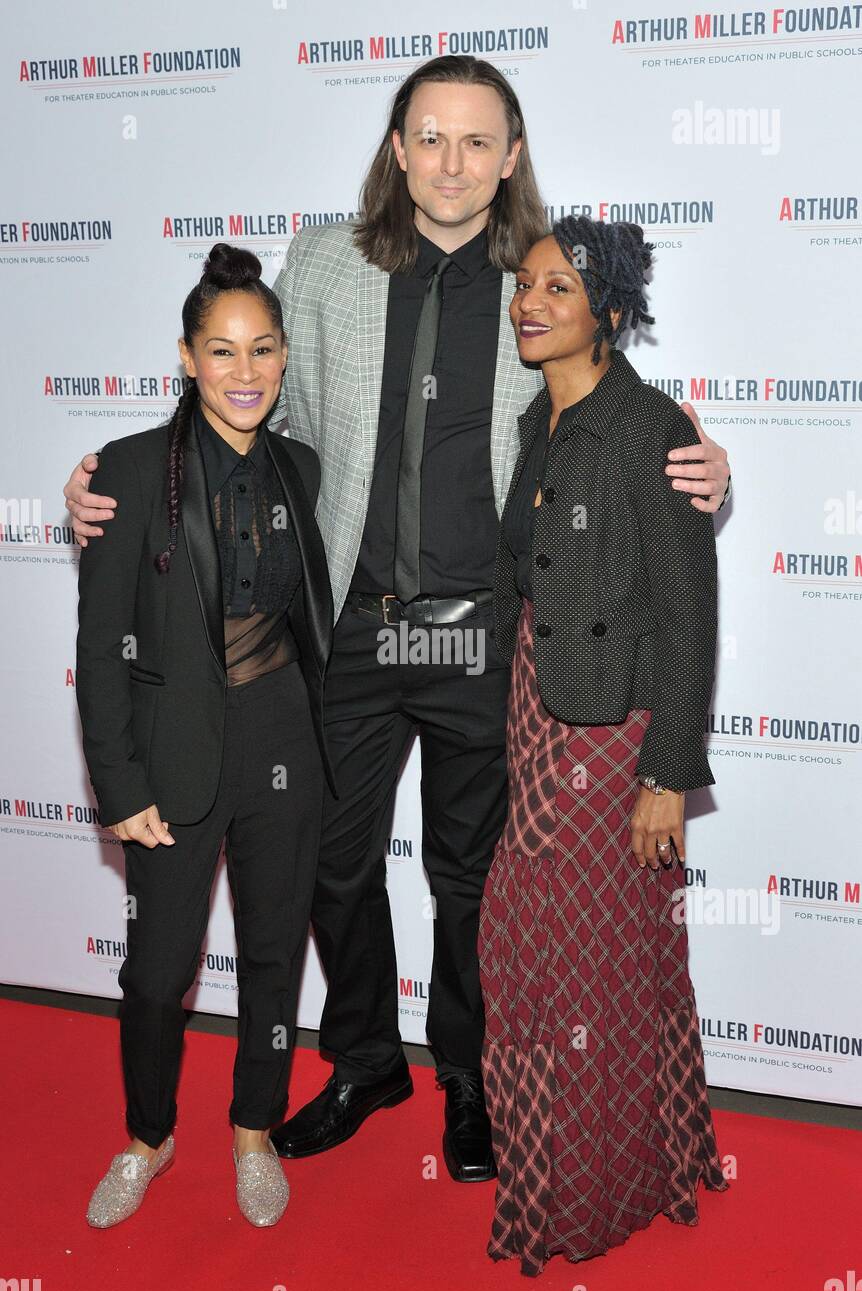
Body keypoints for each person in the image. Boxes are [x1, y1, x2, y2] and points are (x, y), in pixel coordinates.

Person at [63, 56, 731, 1186]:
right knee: (331, 860)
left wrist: (707, 463)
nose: (452, 164)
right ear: (395, 147)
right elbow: (250, 407)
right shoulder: (326, 261)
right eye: (429, 138)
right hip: (351, 629)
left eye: (478, 142)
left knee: (471, 874)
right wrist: (117, 482)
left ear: (511, 156)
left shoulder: (539, 276)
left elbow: (613, 408)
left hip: (486, 634)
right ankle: (367, 1057)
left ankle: (465, 1079)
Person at [478, 214, 728, 1276]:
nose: (529, 304)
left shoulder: (648, 429)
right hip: (539, 713)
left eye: (557, 292)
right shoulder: (542, 418)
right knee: (556, 960)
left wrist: (666, 776)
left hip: (612, 742)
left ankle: (586, 1196)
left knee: (579, 970)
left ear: (608, 315)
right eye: (525, 285)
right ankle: (609, 1166)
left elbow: (690, 616)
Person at [75, 244, 335, 1229]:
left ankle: (254, 1130)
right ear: (185, 357)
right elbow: (100, 648)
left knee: (272, 956)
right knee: (154, 972)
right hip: (173, 753)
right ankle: (148, 1135)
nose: (244, 371)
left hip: (285, 742)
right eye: (220, 350)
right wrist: (120, 784)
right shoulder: (131, 472)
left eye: (261, 349)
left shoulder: (301, 468)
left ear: (281, 358)